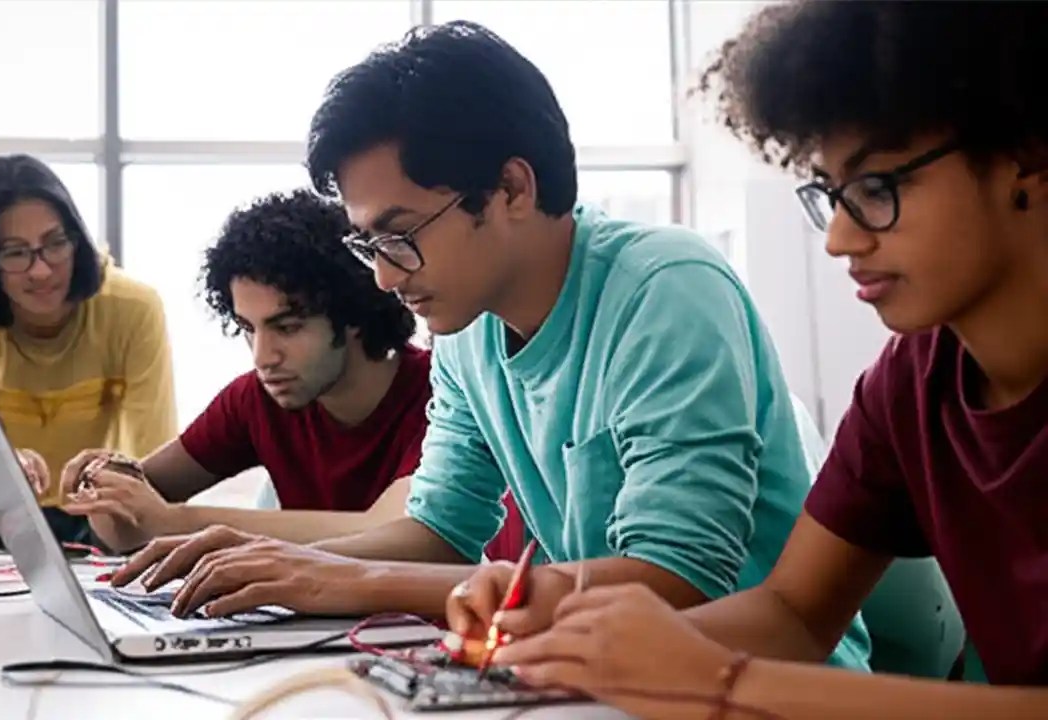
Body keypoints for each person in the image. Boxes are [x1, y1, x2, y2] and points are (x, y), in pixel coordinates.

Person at [108, 21, 869, 670]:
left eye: (399, 236)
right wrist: (294, 565)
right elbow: (440, 531)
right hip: (593, 667)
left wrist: (341, 581)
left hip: (746, 681)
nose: (379, 276)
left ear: (510, 188)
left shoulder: (664, 289)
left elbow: (673, 577)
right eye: (366, 240)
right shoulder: (467, 330)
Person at [481, 2, 1048, 718]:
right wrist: (583, 641)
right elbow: (794, 613)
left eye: (877, 190)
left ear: (1025, 153)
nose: (839, 239)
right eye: (832, 195)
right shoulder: (910, 383)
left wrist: (723, 681)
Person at [57, 188, 527, 559]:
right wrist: (106, 485)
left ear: (353, 315)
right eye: (247, 328)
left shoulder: (438, 392)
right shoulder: (255, 399)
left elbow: (392, 528)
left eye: (287, 327)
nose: (263, 355)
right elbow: (138, 507)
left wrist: (177, 521)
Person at [0, 154, 176, 544]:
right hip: (3, 526)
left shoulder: (134, 309)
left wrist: (112, 493)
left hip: (104, 521)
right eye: (15, 253)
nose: (41, 271)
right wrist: (3, 484)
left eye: (55, 244)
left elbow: (154, 458)